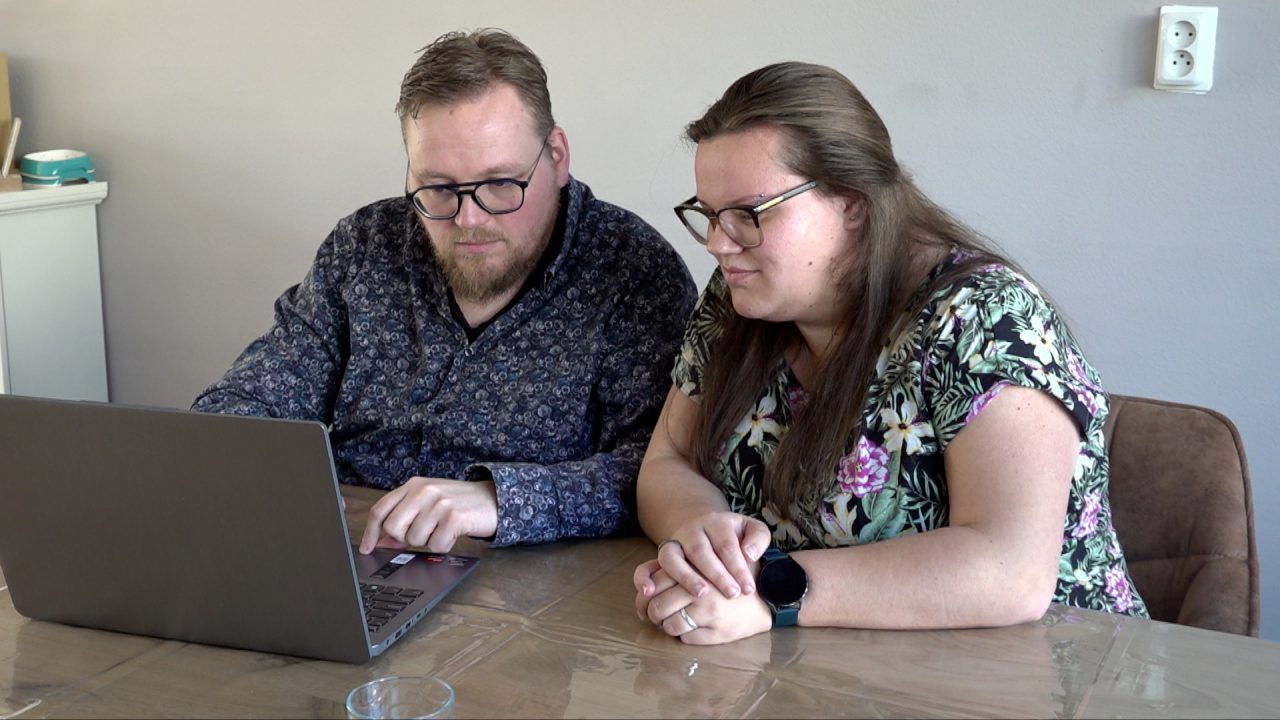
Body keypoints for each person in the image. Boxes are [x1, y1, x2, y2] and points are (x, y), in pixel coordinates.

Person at [632, 61, 1148, 645]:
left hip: (1046, 673)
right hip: (825, 667)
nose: (720, 244)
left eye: (749, 214)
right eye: (709, 215)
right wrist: (707, 539)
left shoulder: (983, 315)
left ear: (851, 203)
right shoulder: (739, 297)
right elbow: (669, 458)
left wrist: (773, 590)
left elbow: (1010, 570)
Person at [193, 29, 696, 554]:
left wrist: (498, 499)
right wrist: (249, 461)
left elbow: (660, 468)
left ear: (557, 156)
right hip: (345, 547)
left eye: (501, 183)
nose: (469, 219)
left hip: (526, 571)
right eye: (437, 188)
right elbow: (254, 392)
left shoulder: (633, 273)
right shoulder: (365, 246)